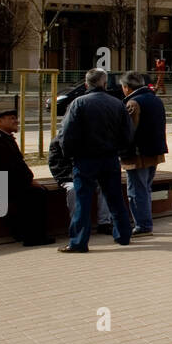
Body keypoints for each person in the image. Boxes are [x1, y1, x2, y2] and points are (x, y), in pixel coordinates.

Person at [56, 69, 134, 253]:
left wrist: (69, 154)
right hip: (110, 158)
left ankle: (79, 242)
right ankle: (123, 235)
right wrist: (118, 150)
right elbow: (127, 134)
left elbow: (67, 134)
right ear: (105, 84)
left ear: (86, 84)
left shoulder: (78, 103)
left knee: (83, 201)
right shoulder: (117, 104)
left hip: (85, 159)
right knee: (115, 198)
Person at [0, 109, 54, 246]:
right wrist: (29, 181)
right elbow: (11, 167)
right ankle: (32, 237)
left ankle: (25, 234)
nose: (16, 121)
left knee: (37, 192)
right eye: (11, 118)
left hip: (3, 182)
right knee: (36, 194)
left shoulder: (1, 137)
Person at [121, 70, 168, 237]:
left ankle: (143, 225)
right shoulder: (155, 100)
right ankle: (145, 222)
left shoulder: (133, 103)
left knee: (136, 190)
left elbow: (128, 132)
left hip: (138, 154)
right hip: (154, 151)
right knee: (145, 188)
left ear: (126, 87)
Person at [48, 133, 111, 236]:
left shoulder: (86, 139)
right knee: (73, 189)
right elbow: (57, 166)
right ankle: (77, 224)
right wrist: (75, 177)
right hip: (68, 177)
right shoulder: (57, 142)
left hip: (85, 175)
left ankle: (104, 222)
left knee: (104, 185)